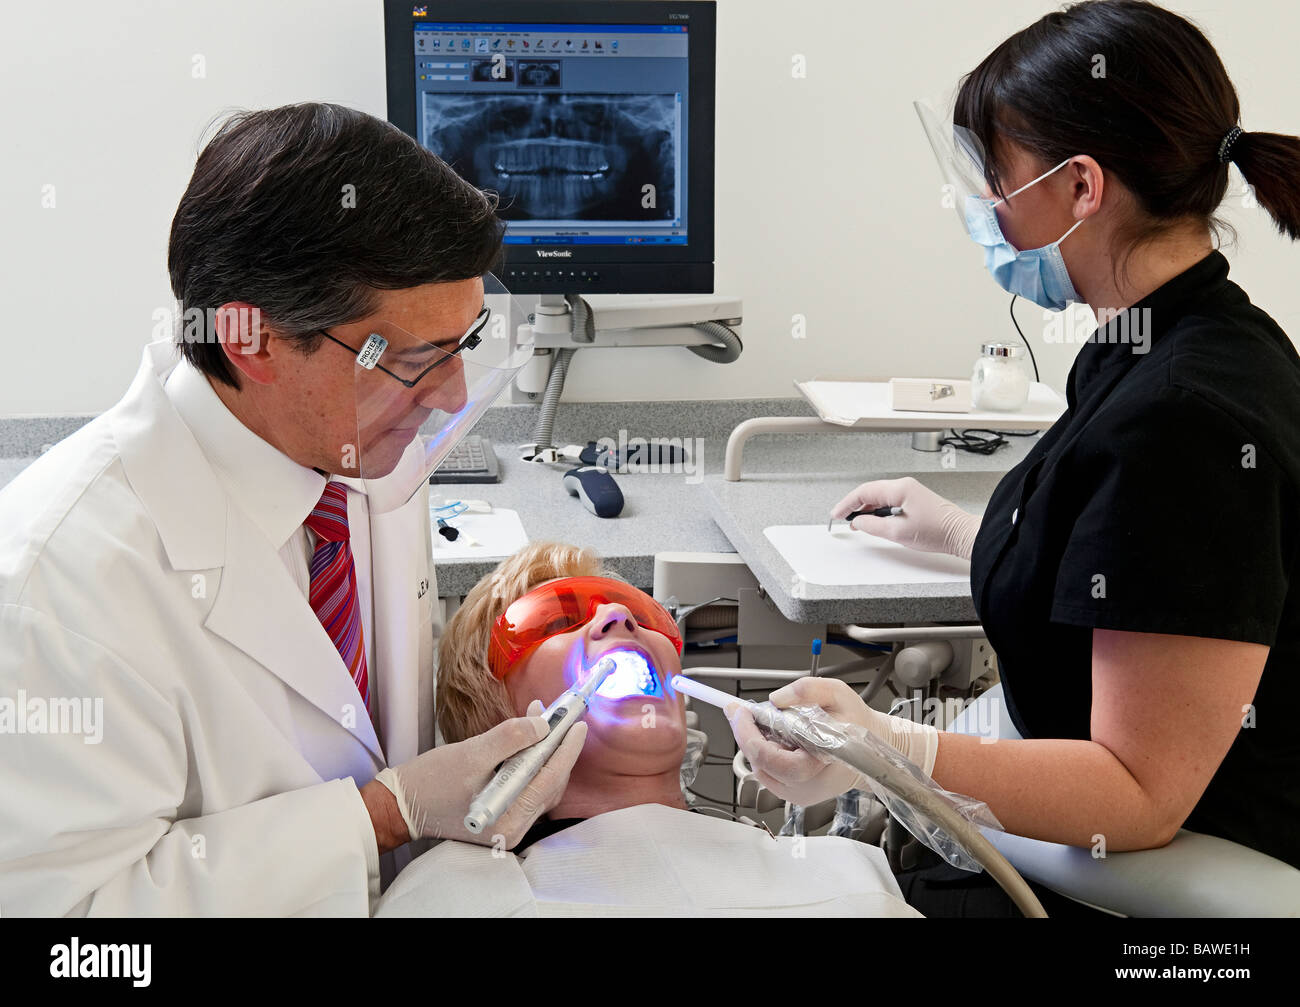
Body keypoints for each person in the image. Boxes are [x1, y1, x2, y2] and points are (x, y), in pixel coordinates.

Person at [728, 0, 1300, 917]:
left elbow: (1136, 796)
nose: (985, 206)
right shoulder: (1154, 340)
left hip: (1157, 889)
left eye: (998, 176)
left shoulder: (1187, 414)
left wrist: (883, 748)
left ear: (1081, 189)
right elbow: (1134, 567)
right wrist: (968, 532)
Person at [0, 102, 582, 916]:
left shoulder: (361, 450)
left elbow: (365, 724)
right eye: (417, 358)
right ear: (253, 340)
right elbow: (75, 939)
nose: (449, 395)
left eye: (466, 340)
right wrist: (380, 815)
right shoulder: (56, 587)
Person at [374, 542, 921, 917]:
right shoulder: (454, 897)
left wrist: (897, 756)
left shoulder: (846, 872)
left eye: (639, 610)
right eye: (555, 620)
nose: (618, 616)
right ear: (497, 720)